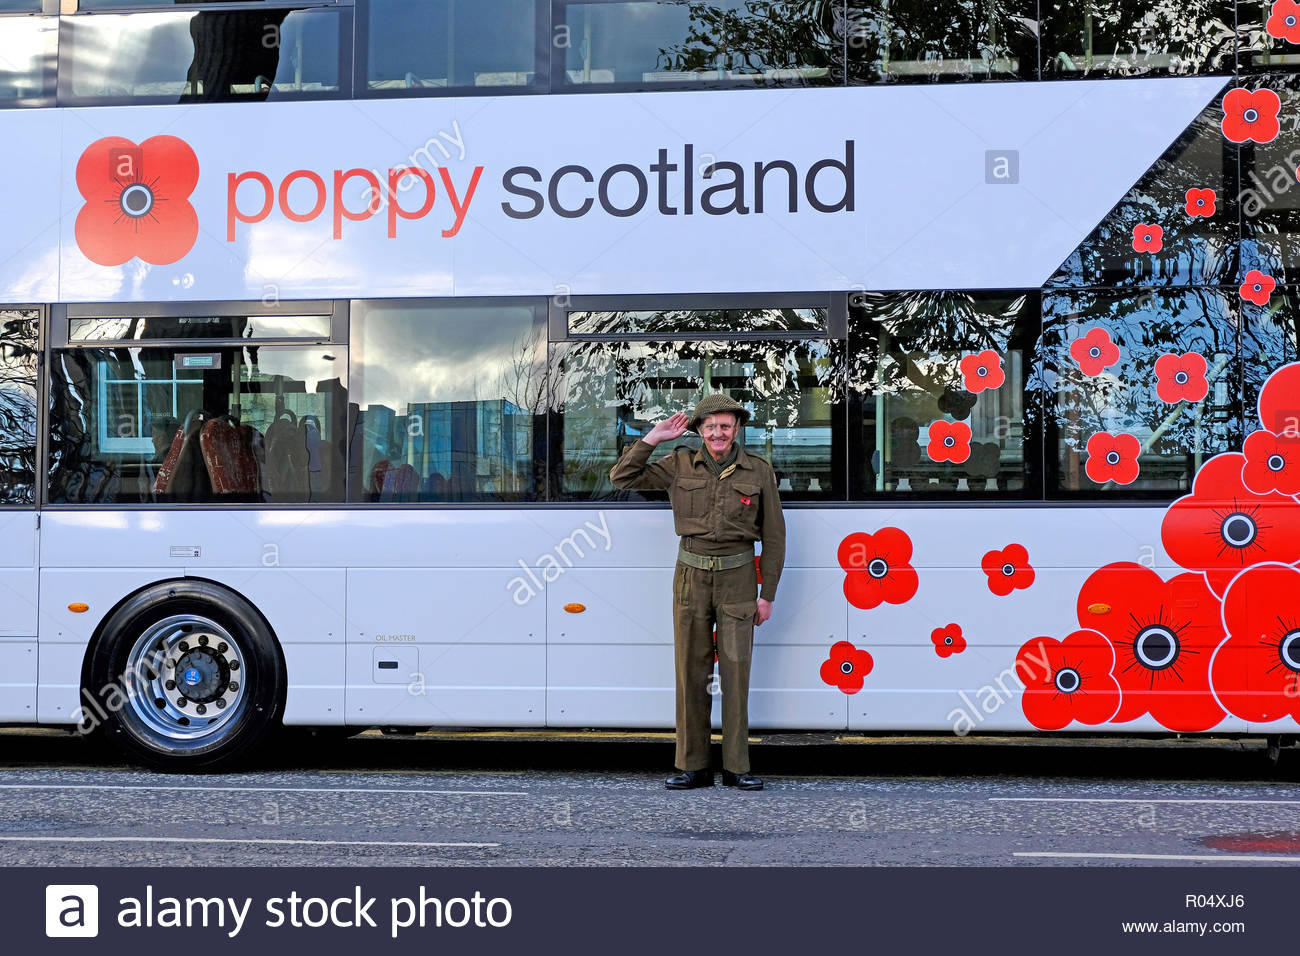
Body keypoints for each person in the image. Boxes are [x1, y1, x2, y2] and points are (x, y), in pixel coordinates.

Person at [609, 393, 786, 791]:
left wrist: (768, 593)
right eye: (711, 427)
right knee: (691, 670)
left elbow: (775, 537)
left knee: (736, 672)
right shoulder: (679, 464)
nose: (718, 433)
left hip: (739, 579)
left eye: (725, 426)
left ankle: (737, 766)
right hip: (691, 577)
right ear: (700, 430)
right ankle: (693, 765)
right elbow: (622, 477)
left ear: (736, 429)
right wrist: (653, 438)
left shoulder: (758, 470)